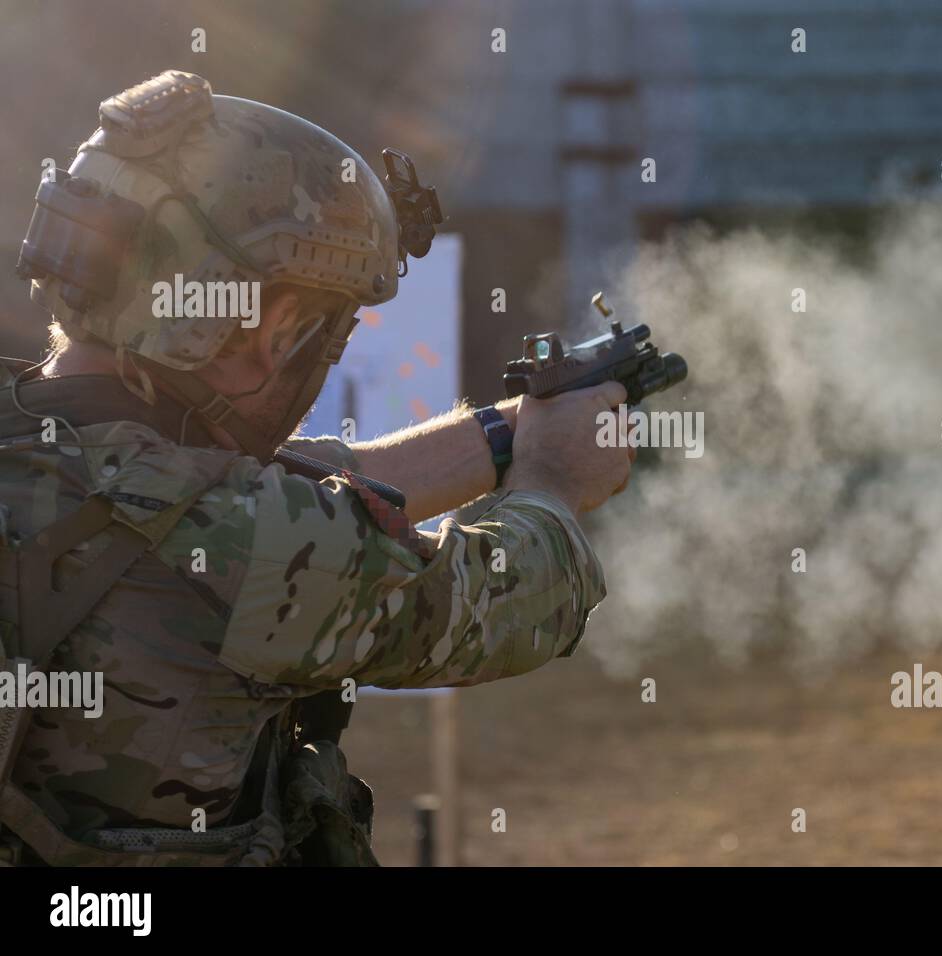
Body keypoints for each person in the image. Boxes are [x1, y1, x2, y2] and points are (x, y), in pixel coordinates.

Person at [0, 70, 632, 866]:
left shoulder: (57, 449)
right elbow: (511, 601)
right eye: (325, 330)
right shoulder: (246, 542)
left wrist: (508, 431)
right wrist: (556, 480)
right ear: (275, 328)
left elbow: (291, 482)